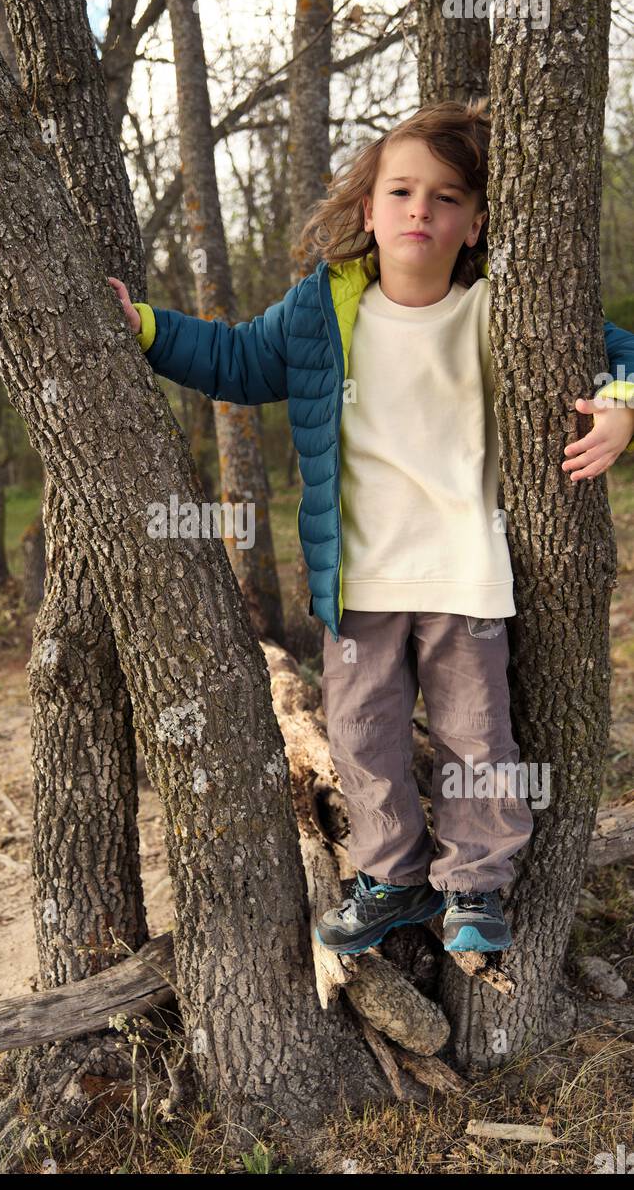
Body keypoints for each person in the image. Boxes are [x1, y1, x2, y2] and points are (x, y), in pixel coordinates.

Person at [108, 97, 634, 956]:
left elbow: (623, 353)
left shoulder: (504, 308)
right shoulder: (323, 309)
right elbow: (236, 361)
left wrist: (620, 409)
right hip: (357, 576)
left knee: (477, 732)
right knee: (363, 732)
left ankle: (474, 884)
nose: (420, 209)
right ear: (369, 211)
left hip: (467, 569)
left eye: (447, 196)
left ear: (475, 225)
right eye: (400, 191)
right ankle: (390, 877)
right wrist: (146, 328)